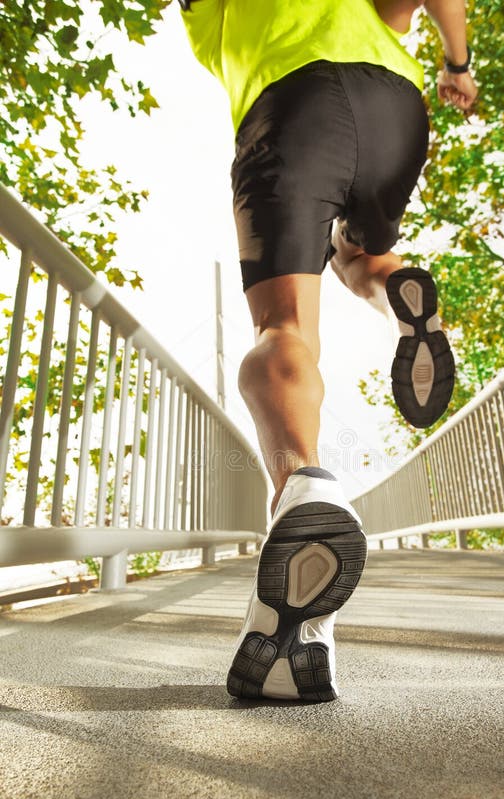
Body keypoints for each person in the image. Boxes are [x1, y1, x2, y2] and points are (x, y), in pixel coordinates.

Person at [179, 0, 478, 702]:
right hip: (396, 113)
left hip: (294, 102)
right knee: (359, 253)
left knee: (282, 329)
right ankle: (399, 286)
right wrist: (456, 62)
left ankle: (302, 484)